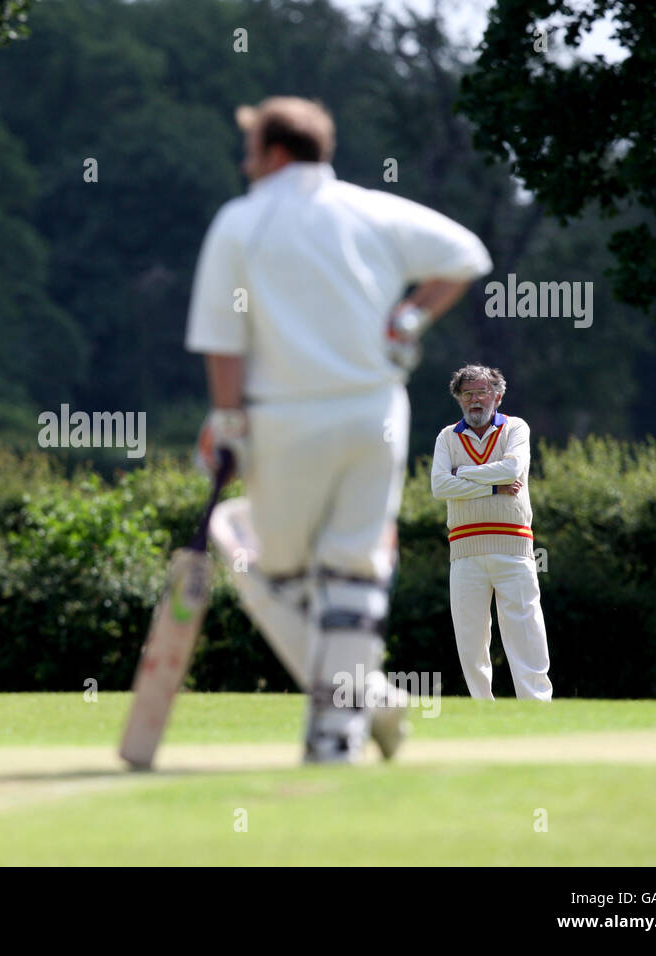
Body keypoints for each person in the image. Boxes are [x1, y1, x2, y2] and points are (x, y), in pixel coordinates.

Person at [187, 95, 492, 762]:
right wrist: (408, 321)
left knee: (274, 569)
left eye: (250, 153)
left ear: (273, 153)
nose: (245, 166)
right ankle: (344, 728)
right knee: (353, 573)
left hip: (285, 418)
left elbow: (221, 339)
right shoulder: (369, 210)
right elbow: (466, 255)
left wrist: (229, 423)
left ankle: (360, 711)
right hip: (374, 414)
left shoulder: (240, 222)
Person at [430, 365, 553, 700]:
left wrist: (464, 474)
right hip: (464, 550)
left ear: (497, 396)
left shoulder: (515, 428)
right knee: (470, 638)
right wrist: (494, 489)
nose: (475, 400)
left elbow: (513, 468)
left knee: (525, 629)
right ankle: (483, 708)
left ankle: (537, 708)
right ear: (459, 399)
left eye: (481, 392)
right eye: (467, 394)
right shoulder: (447, 437)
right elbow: (440, 486)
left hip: (513, 545)